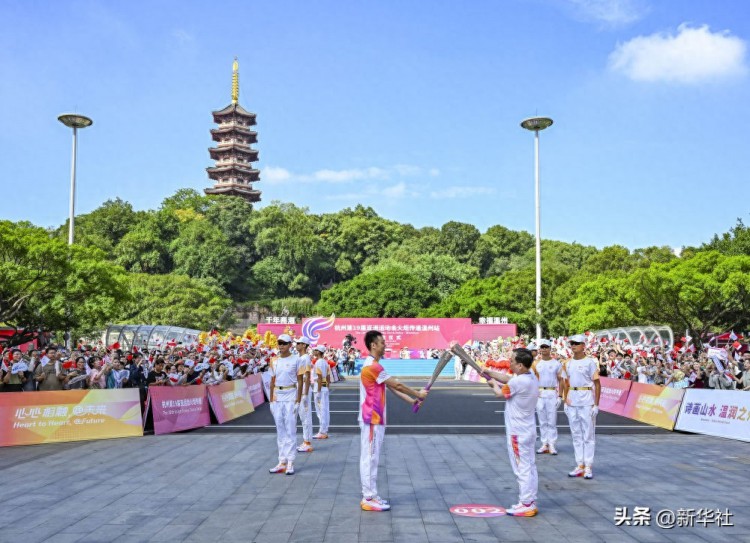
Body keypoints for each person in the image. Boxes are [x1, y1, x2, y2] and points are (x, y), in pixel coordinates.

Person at [359, 330, 427, 512]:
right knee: (370, 458)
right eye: (382, 343)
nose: (385, 345)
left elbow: (392, 388)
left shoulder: (375, 366)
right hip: (372, 418)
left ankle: (372, 494)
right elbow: (397, 384)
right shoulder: (372, 366)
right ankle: (368, 497)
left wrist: (412, 400)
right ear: (373, 345)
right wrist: (418, 393)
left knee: (372, 457)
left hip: (375, 418)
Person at [484, 348, 539, 517]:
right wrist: (488, 372)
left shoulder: (518, 382)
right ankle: (529, 501)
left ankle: (526, 503)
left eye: (513, 361)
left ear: (521, 365)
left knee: (521, 468)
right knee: (529, 466)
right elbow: (508, 379)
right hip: (528, 429)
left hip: (517, 432)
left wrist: (492, 383)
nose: (510, 363)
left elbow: (500, 393)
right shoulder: (530, 377)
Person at [561, 334, 601, 480]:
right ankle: (580, 465)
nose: (573, 346)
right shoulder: (567, 363)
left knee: (588, 435)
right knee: (576, 435)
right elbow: (566, 382)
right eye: (572, 343)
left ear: (584, 345)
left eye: (576, 343)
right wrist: (565, 401)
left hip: (586, 401)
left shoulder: (590, 363)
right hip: (573, 401)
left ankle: (588, 465)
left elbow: (597, 384)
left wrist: (596, 404)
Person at [268, 334, 304, 475]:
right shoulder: (274, 360)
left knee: (290, 429)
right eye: (279, 343)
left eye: (284, 343)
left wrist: (298, 400)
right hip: (278, 396)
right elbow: (272, 381)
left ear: (290, 345)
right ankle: (281, 461)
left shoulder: (297, 359)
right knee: (280, 430)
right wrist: (271, 400)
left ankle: (290, 461)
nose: (281, 345)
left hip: (290, 395)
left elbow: (300, 381)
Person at [533, 339, 563, 455]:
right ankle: (544, 443)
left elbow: (561, 380)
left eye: (546, 347)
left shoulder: (556, 363)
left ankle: (552, 444)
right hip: (540, 393)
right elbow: (533, 379)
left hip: (551, 393)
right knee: (542, 420)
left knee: (551, 420)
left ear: (550, 349)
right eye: (542, 347)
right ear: (540, 349)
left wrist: (560, 396)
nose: (544, 349)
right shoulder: (536, 363)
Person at [295, 337, 315, 453]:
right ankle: (305, 440)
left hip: (304, 390)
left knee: (306, 416)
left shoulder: (305, 358)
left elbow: (307, 376)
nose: (297, 345)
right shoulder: (301, 358)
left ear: (304, 345)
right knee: (303, 416)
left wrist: (305, 394)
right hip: (300, 389)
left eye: (299, 343)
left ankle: (307, 442)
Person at [312, 344, 332, 440]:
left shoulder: (319, 362)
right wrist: (327, 387)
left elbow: (319, 377)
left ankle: (322, 431)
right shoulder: (325, 362)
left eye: (315, 350)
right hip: (324, 387)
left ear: (319, 352)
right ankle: (324, 430)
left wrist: (319, 391)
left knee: (320, 411)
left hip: (319, 387)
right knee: (325, 410)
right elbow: (328, 377)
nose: (314, 351)